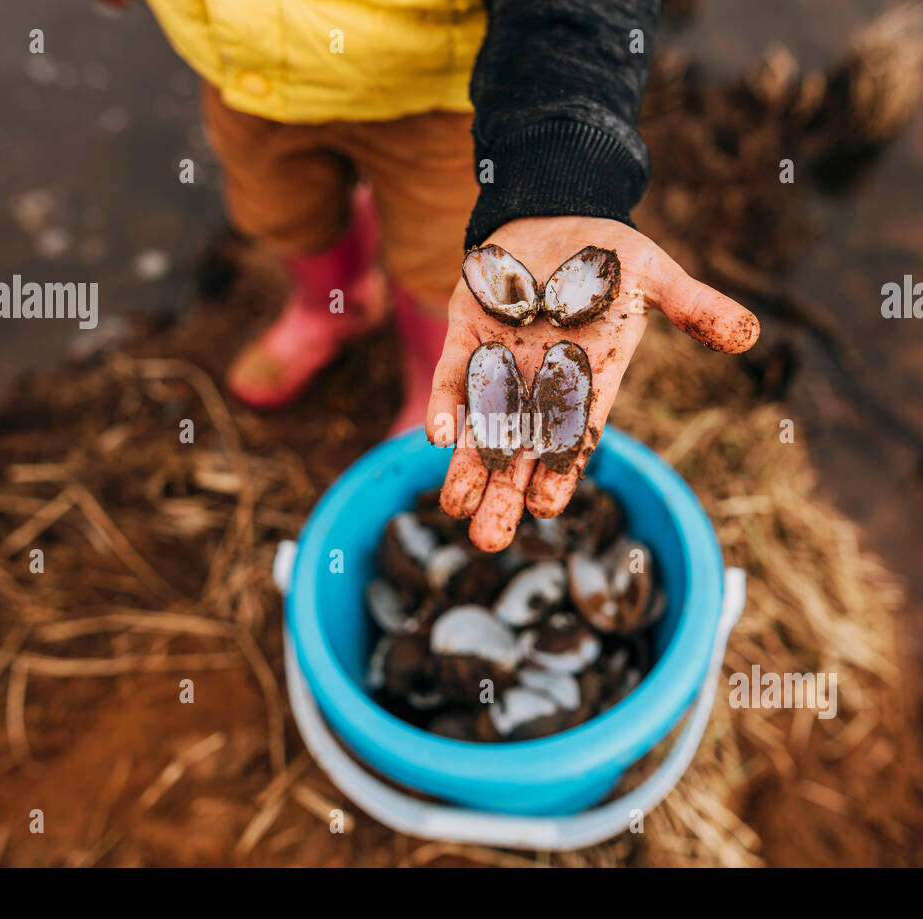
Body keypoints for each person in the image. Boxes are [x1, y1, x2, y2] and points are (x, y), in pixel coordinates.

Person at [141, 0, 759, 551]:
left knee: (440, 267)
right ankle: (336, 305)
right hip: (239, 67)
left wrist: (558, 174)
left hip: (436, 89)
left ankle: (423, 379)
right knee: (287, 218)